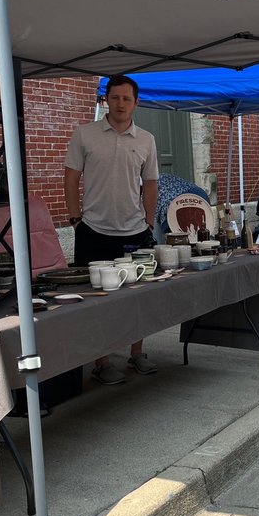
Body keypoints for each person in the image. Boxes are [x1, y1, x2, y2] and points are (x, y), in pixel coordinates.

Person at [64, 73, 159, 384]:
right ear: (105, 99)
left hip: (135, 230)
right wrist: (75, 219)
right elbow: (71, 178)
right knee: (95, 300)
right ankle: (101, 361)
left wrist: (148, 219)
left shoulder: (146, 139)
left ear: (136, 102)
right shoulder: (85, 134)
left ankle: (136, 354)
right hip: (93, 230)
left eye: (127, 98)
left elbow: (150, 183)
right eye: (115, 97)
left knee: (139, 298)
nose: (121, 103)